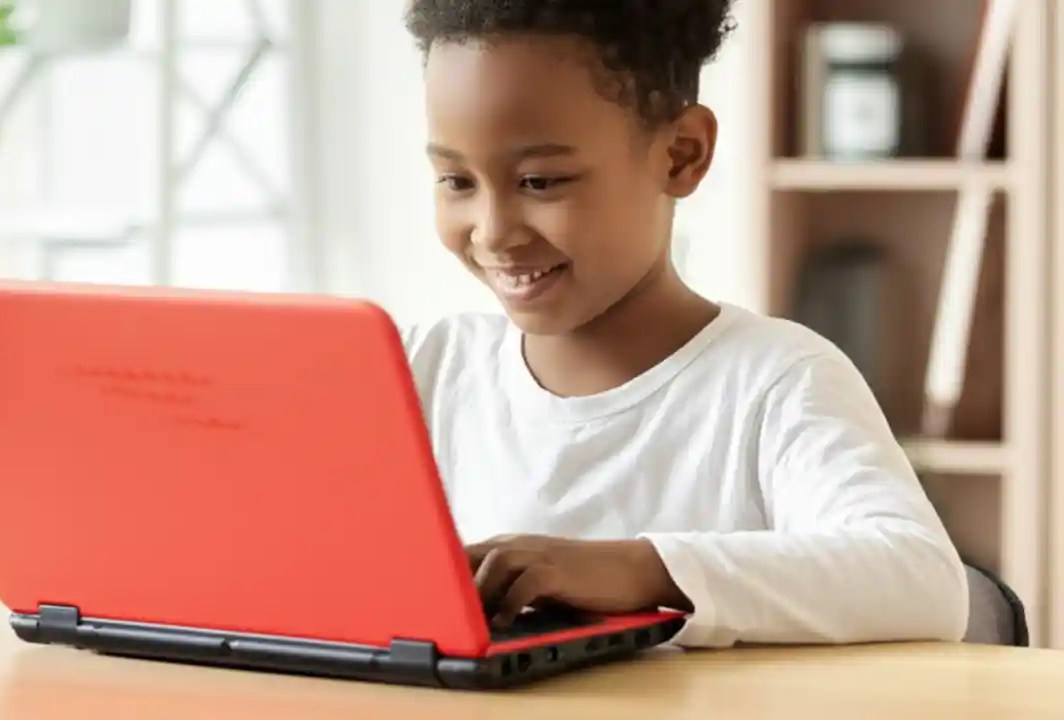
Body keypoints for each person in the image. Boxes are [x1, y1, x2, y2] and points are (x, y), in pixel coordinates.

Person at [399, 0, 969, 648]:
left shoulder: (775, 384)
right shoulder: (417, 371)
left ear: (680, 155)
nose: (493, 230)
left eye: (540, 181)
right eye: (455, 180)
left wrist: (642, 569)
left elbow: (922, 583)